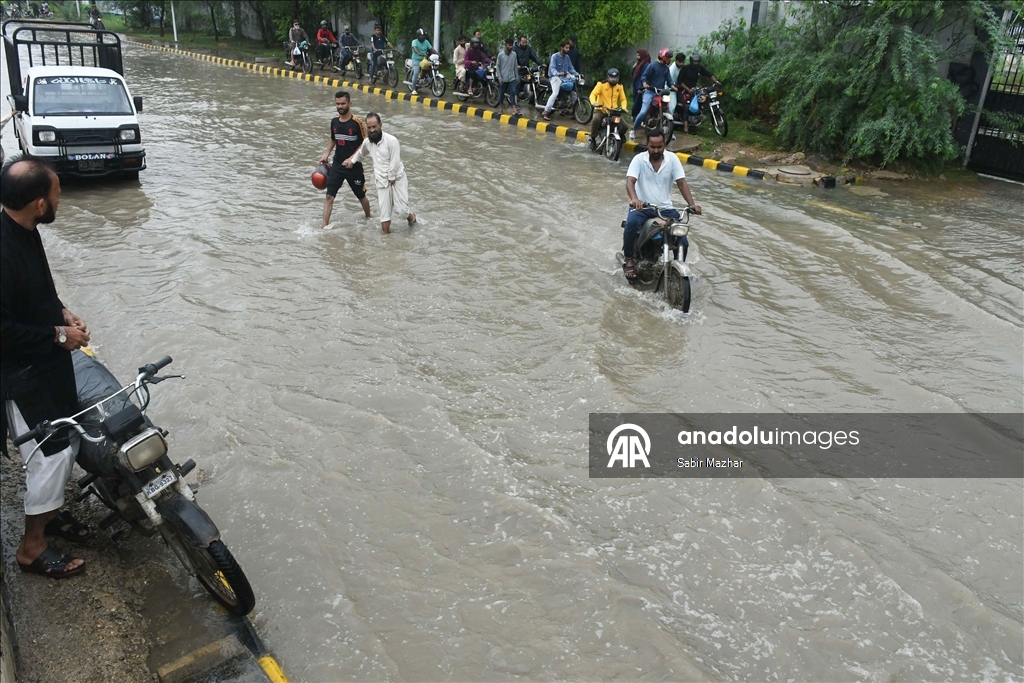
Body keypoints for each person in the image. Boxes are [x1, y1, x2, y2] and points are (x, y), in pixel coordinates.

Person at [1, 159, 94, 579]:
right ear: (39, 203)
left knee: (69, 434)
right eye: (57, 195)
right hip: (19, 373)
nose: (60, 200)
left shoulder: (25, 230)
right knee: (51, 455)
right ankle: (31, 547)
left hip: (47, 361)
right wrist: (59, 336)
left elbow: (40, 289)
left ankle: (50, 514)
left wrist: (64, 313)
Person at [622, 129, 701, 280]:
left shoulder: (672, 159)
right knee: (631, 224)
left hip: (666, 209)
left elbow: (682, 183)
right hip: (643, 207)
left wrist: (692, 204)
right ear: (647, 145)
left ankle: (678, 269)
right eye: (653, 147)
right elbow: (630, 182)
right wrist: (634, 199)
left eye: (659, 147)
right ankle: (629, 259)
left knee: (682, 239)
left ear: (664, 145)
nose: (656, 150)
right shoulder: (639, 160)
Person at [342, 113, 415, 234]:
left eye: (374, 127)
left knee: (401, 211)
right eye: (369, 128)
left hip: (397, 178)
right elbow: (361, 153)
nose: (372, 130)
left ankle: (411, 217)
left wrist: (391, 176)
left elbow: (395, 161)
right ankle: (387, 243)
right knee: (385, 214)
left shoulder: (392, 141)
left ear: (380, 125)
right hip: (381, 180)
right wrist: (352, 161)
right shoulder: (367, 142)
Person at [319, 91, 371, 227]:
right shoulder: (334, 122)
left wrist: (352, 159)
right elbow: (333, 139)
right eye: (337, 104)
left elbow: (365, 143)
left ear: (349, 104)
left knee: (361, 195)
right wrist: (326, 155)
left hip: (354, 166)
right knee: (329, 196)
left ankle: (369, 217)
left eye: (343, 103)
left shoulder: (357, 123)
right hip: (337, 165)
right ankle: (324, 226)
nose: (340, 106)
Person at [674, 53, 721, 134]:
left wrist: (716, 81)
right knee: (686, 105)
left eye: (697, 62)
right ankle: (686, 128)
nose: (696, 63)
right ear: (691, 61)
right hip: (683, 90)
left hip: (694, 90)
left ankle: (701, 117)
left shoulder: (699, 68)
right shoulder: (685, 68)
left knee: (703, 99)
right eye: (695, 62)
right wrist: (688, 90)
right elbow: (680, 82)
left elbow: (708, 74)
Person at [632, 47, 673, 139]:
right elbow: (644, 76)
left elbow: (670, 81)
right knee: (643, 112)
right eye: (668, 57)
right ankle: (634, 130)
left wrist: (674, 86)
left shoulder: (666, 69)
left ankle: (670, 132)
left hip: (660, 93)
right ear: (663, 57)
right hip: (650, 92)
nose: (670, 59)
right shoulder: (652, 66)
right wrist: (645, 83)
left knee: (668, 110)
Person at [588, 68, 629, 150]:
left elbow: (623, 99)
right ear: (608, 77)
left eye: (615, 78)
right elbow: (593, 94)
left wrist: (624, 108)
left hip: (613, 111)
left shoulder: (620, 86)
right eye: (611, 77)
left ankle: (620, 135)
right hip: (601, 109)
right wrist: (593, 102)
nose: (613, 79)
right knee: (595, 120)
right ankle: (592, 139)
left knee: (625, 126)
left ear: (618, 78)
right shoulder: (601, 84)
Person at [542, 39, 579, 121]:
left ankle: (571, 107)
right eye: (566, 48)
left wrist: (578, 75)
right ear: (562, 48)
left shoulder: (567, 57)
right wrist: (558, 73)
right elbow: (552, 69)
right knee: (555, 93)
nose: (568, 50)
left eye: (569, 48)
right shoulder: (554, 56)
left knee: (572, 87)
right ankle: (546, 111)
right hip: (555, 77)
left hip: (564, 78)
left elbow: (571, 68)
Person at [629, 48, 651, 139]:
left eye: (639, 55)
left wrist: (640, 88)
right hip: (636, 86)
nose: (637, 56)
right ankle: (637, 121)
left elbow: (643, 77)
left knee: (638, 105)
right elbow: (633, 74)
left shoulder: (645, 65)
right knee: (636, 103)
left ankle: (638, 123)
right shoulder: (639, 64)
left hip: (640, 87)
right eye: (636, 55)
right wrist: (634, 68)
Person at [496, 38, 520, 115]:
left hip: (512, 77)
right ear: (506, 45)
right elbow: (498, 67)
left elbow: (515, 66)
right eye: (509, 45)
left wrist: (517, 77)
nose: (511, 47)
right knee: (502, 93)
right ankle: (501, 107)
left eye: (511, 45)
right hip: (503, 78)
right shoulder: (500, 55)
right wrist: (499, 77)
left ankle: (514, 109)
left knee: (513, 92)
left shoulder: (514, 55)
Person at [668, 52, 685, 119]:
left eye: (682, 62)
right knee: (672, 106)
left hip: (678, 88)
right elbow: (669, 82)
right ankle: (668, 121)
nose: (681, 64)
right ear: (676, 61)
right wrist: (675, 86)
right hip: (671, 89)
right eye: (680, 62)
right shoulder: (672, 69)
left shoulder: (682, 68)